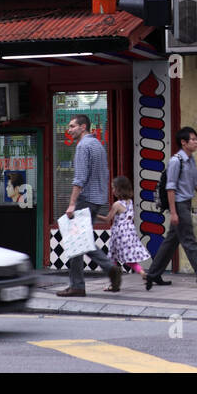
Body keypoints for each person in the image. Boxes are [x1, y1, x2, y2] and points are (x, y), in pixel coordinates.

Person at [143, 126, 197, 289]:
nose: (195, 142)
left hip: (185, 203)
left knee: (171, 242)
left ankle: (153, 274)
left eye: (195, 139)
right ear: (183, 142)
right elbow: (170, 188)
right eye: (192, 139)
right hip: (179, 205)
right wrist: (173, 212)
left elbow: (196, 184)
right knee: (189, 240)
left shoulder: (191, 159)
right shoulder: (175, 161)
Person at [58, 114, 123, 297]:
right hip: (97, 199)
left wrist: (72, 204)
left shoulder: (83, 146)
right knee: (80, 241)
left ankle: (84, 282)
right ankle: (95, 276)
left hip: (85, 199)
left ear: (83, 127)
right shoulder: (98, 145)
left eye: (72, 126)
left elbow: (79, 178)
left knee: (77, 241)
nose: (69, 130)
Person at [95, 175, 152, 290]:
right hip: (130, 233)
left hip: (119, 234)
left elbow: (107, 219)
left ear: (119, 189)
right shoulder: (130, 202)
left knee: (113, 258)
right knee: (129, 258)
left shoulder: (117, 204)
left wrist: (94, 215)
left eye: (113, 188)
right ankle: (143, 273)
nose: (112, 190)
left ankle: (113, 283)